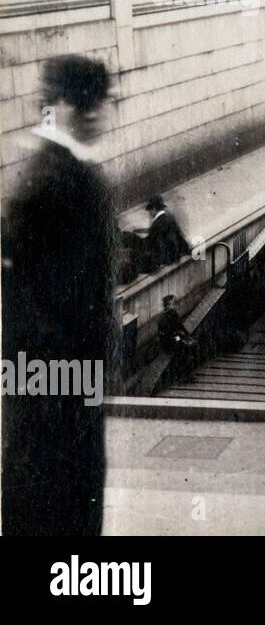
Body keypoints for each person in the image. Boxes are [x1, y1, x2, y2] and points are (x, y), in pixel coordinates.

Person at [2, 55, 117, 536]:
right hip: (62, 395)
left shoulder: (34, 177)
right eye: (98, 105)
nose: (103, 116)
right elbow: (69, 308)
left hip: (38, 391)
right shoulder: (71, 185)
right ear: (72, 107)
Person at [141, 194, 189, 272]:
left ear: (154, 209)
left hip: (167, 257)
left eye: (150, 210)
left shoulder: (156, 224)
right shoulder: (169, 218)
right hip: (175, 253)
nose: (149, 213)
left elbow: (150, 242)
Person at [157, 294, 199, 382]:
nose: (175, 305)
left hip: (175, 338)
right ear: (168, 305)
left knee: (190, 346)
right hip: (168, 342)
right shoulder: (163, 318)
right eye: (173, 303)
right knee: (183, 351)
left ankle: (187, 374)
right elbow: (167, 334)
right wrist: (180, 338)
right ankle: (185, 375)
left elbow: (180, 326)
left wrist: (187, 335)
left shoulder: (173, 313)